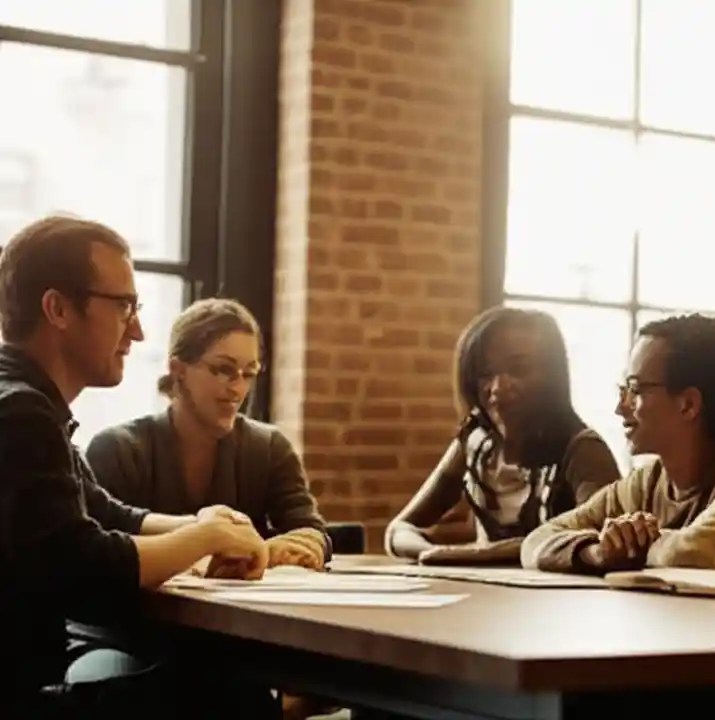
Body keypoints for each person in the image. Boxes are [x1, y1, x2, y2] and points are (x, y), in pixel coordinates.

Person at [0, 215, 275, 717]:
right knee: (235, 697)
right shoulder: (20, 412)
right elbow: (83, 567)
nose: (140, 330)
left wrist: (209, 523)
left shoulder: (28, 403)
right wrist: (207, 539)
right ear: (58, 308)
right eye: (124, 306)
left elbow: (103, 512)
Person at [521, 314, 715, 574]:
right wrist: (597, 552)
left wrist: (628, 548)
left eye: (635, 390)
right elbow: (537, 541)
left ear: (688, 404)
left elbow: (690, 553)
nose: (620, 407)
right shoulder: (647, 482)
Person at [87, 298, 328, 575]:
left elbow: (311, 529)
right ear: (178, 371)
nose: (238, 388)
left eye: (249, 373)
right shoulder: (118, 450)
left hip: (239, 617)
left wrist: (294, 547)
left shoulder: (270, 448)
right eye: (224, 370)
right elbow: (100, 555)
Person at [385, 306, 621, 565]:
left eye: (518, 370)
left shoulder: (583, 450)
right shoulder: (475, 443)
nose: (497, 388)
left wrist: (473, 555)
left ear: (552, 376)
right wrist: (429, 553)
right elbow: (399, 529)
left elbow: (602, 539)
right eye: (485, 374)